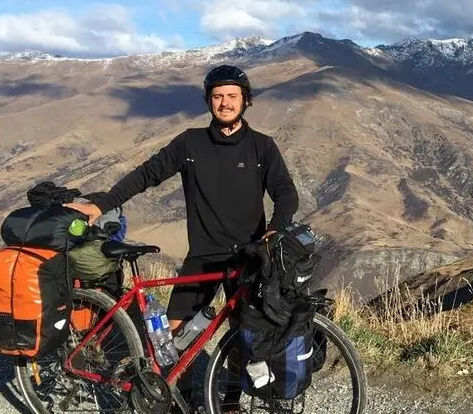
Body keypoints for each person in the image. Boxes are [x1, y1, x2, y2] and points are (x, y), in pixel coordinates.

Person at [66, 64, 299, 331]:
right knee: (175, 337)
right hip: (203, 255)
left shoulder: (262, 146)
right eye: (217, 96)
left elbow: (285, 192)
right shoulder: (190, 143)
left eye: (232, 96)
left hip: (249, 255)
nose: (225, 103)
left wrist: (275, 228)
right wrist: (102, 205)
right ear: (209, 100)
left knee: (245, 335)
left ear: (245, 100)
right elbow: (147, 174)